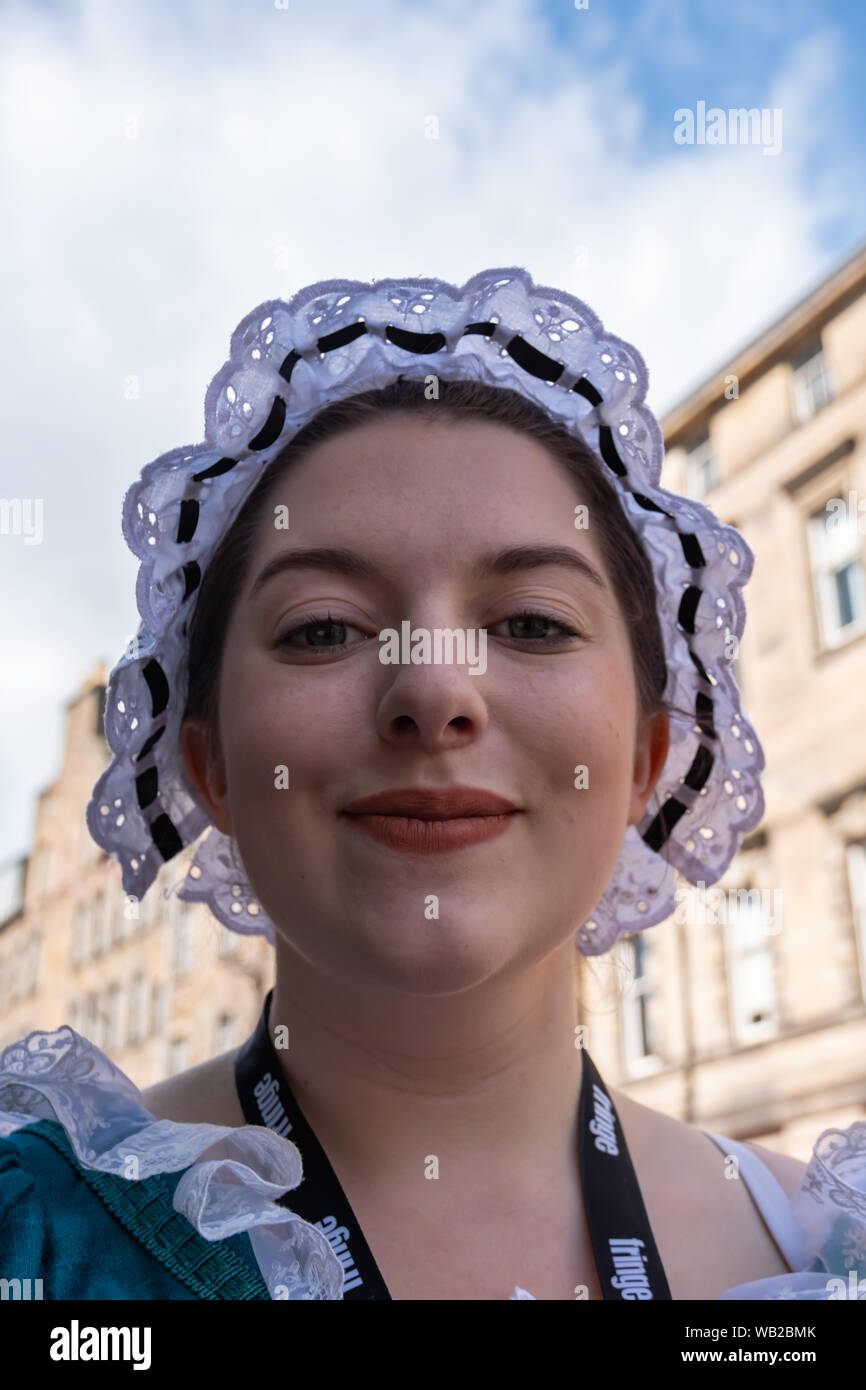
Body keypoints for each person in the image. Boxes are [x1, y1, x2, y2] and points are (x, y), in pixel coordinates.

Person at [1, 269, 862, 1301]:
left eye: (531, 622)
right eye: (323, 627)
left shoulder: (820, 1260)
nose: (433, 690)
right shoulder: (37, 1248)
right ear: (209, 765)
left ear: (643, 761)